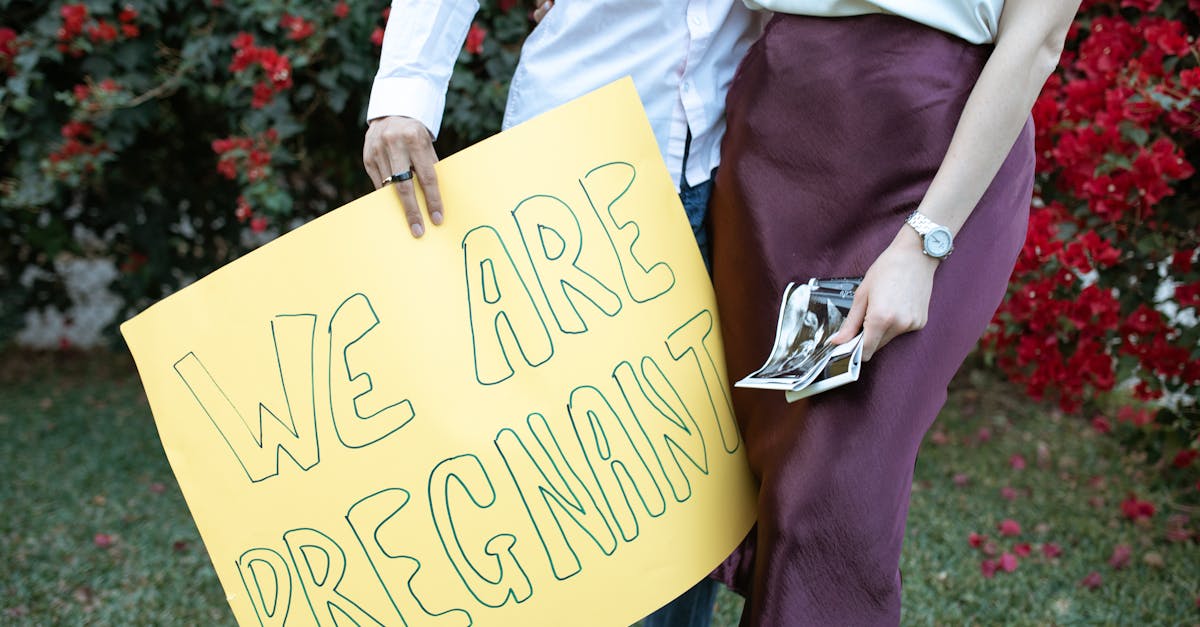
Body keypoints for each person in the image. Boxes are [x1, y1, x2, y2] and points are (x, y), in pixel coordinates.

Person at [361, 1, 764, 625]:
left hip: (718, 167)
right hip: (567, 165)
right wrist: (405, 94)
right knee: (560, 485)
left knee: (682, 483)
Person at [706, 1, 1080, 624]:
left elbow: (1037, 39)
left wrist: (923, 243)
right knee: (746, 468)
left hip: (932, 159)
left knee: (833, 501)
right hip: (776, 143)